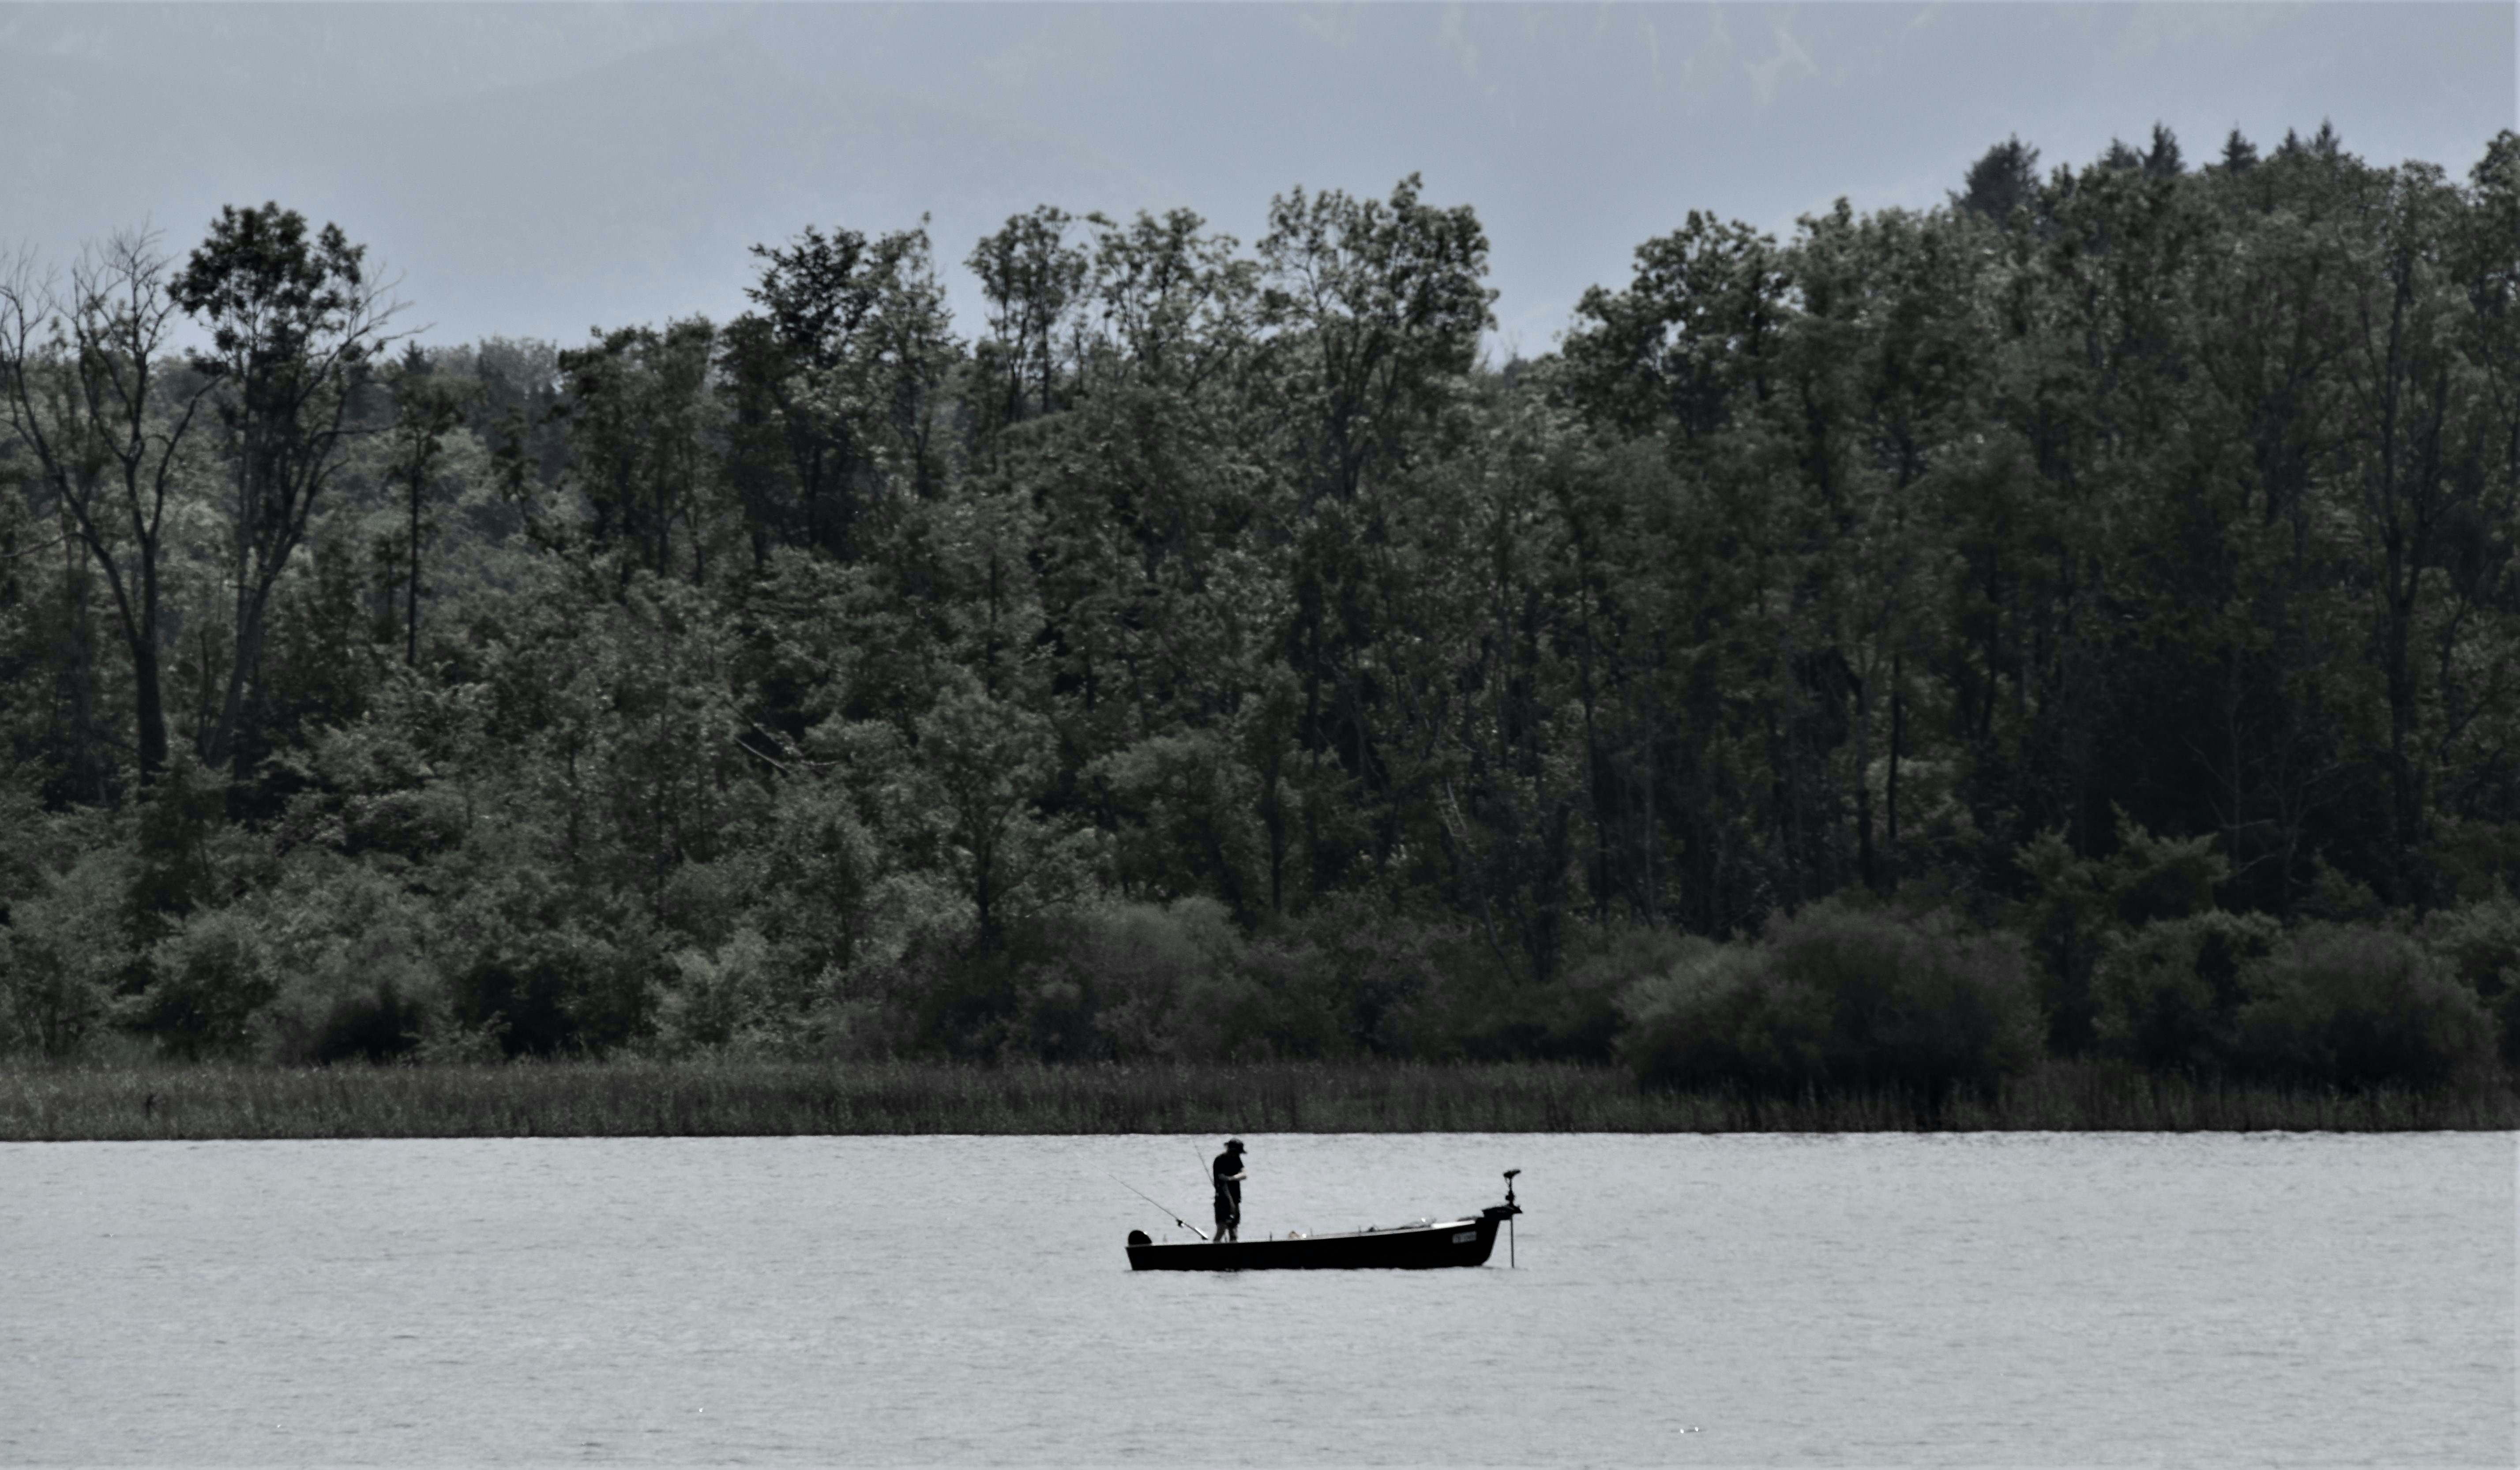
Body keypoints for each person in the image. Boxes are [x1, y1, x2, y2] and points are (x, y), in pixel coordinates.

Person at [1210, 1138, 1247, 1242]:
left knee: (1234, 1230)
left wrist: (1231, 1178)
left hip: (1236, 1199)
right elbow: (1222, 1179)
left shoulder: (1237, 1160)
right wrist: (1230, 1203)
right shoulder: (1220, 1160)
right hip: (1222, 1200)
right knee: (1221, 1230)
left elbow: (1244, 1174)